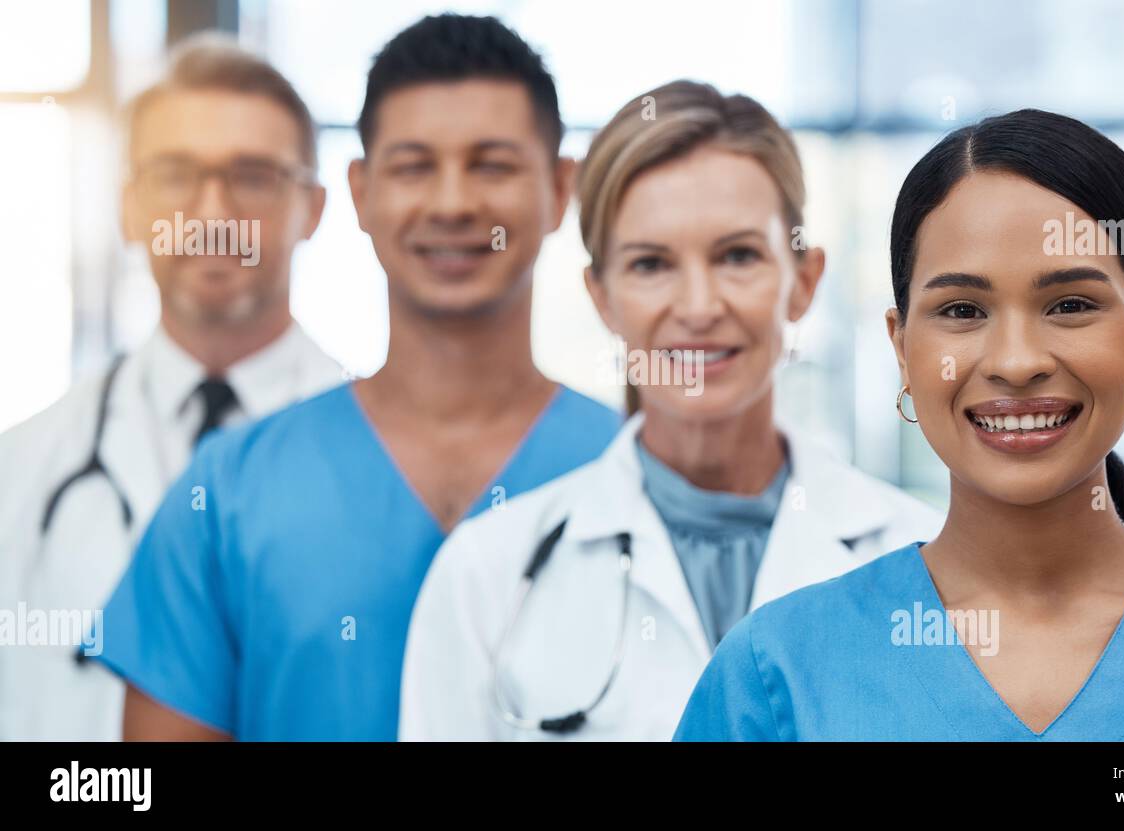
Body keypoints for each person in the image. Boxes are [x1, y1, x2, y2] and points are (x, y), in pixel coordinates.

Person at [674, 109, 1124, 741]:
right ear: (903, 351)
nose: (1017, 362)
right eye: (963, 309)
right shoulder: (773, 676)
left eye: (1071, 305)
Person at [91, 14, 622, 741]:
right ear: (361, 191)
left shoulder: (636, 475)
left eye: (492, 164)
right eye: (413, 166)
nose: (453, 203)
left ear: (562, 188)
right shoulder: (225, 496)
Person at [398, 81, 943, 741]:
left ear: (803, 281)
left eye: (738, 256)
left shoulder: (924, 561)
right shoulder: (486, 576)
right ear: (602, 297)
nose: (698, 306)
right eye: (651, 263)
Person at [0, 36, 343, 741]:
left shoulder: (383, 459)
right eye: (176, 175)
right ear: (129, 208)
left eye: (252, 175)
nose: (212, 215)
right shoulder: (20, 469)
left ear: (313, 207)